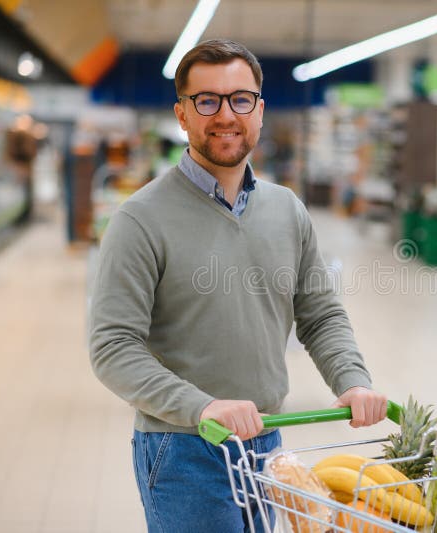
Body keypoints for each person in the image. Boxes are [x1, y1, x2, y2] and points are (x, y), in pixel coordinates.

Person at [89, 39, 387, 532]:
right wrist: (201, 406)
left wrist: (352, 380)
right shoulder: (140, 219)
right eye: (207, 101)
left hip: (268, 440)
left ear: (260, 110)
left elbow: (320, 313)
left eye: (240, 99)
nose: (226, 114)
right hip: (183, 446)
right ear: (182, 114)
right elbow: (113, 347)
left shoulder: (286, 209)